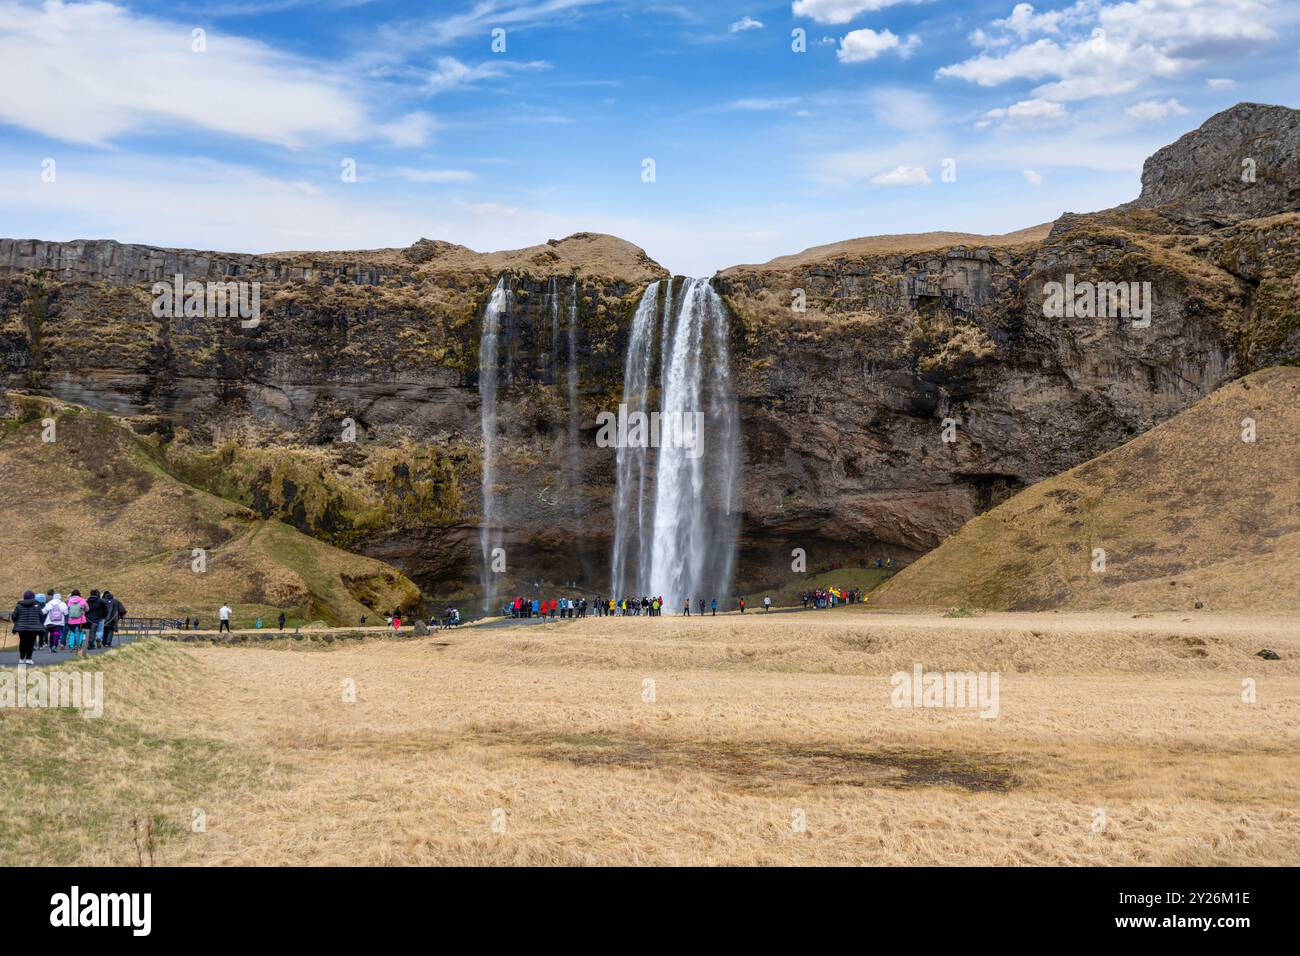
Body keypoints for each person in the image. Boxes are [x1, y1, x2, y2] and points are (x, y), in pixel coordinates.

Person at [11, 591, 46, 665]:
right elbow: (41, 616)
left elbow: (14, 616)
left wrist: (16, 621)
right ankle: (29, 658)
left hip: (21, 627)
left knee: (22, 642)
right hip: (34, 627)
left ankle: (21, 658)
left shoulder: (19, 605)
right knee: (31, 642)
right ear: (33, 597)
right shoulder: (37, 605)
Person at [66, 590, 89, 656]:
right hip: (81, 620)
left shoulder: (69, 601)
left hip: (71, 620)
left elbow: (67, 609)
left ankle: (71, 645)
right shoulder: (82, 600)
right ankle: (79, 645)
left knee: (72, 632)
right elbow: (87, 609)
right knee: (81, 632)